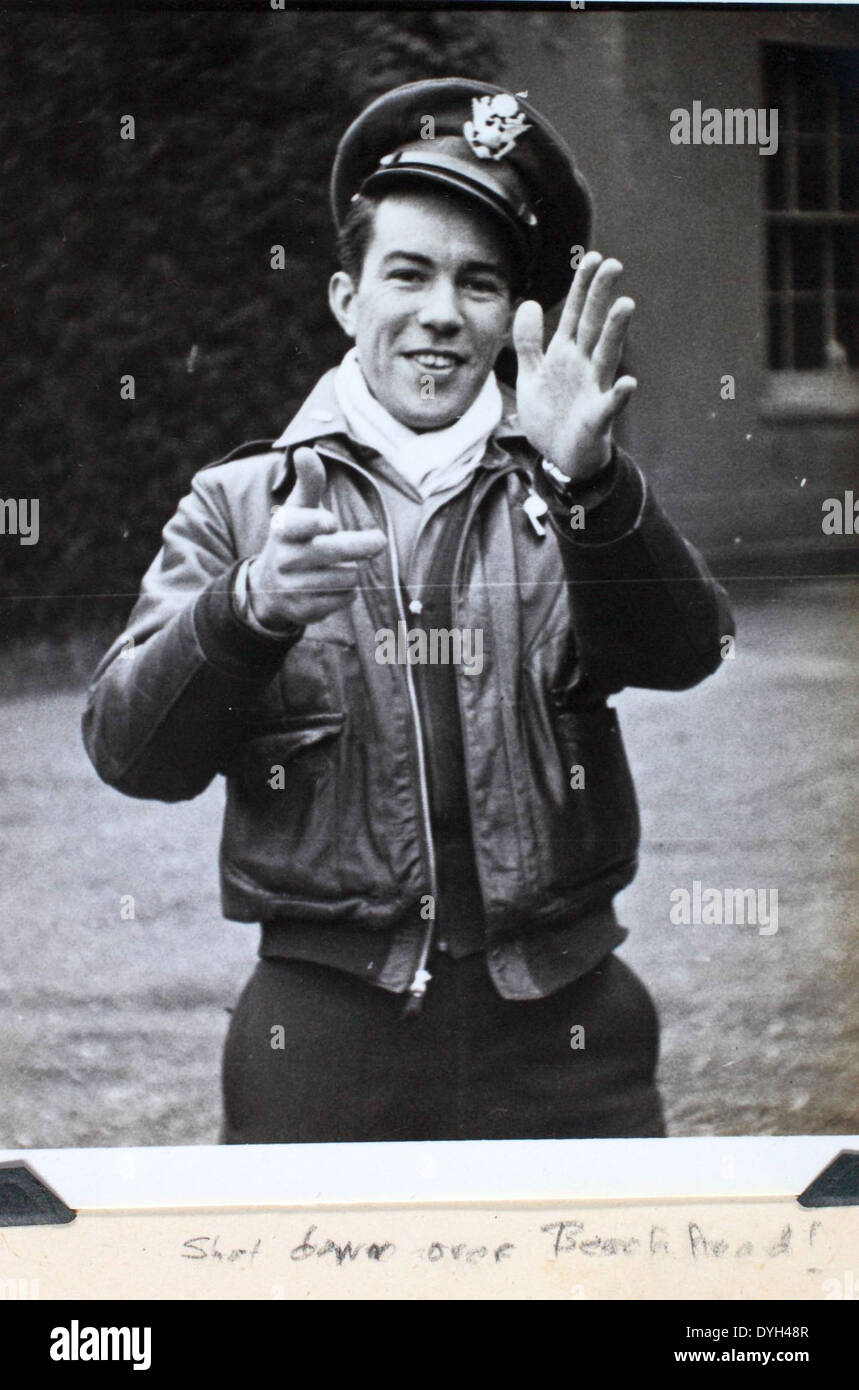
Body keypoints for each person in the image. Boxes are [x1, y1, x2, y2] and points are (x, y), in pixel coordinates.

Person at [83, 79, 734, 1144]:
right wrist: (245, 610)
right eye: (409, 274)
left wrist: (593, 488)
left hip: (567, 1022)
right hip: (322, 1035)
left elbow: (686, 651)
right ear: (346, 299)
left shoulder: (567, 484)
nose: (442, 312)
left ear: (513, 316)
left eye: (479, 283)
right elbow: (129, 748)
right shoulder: (240, 503)